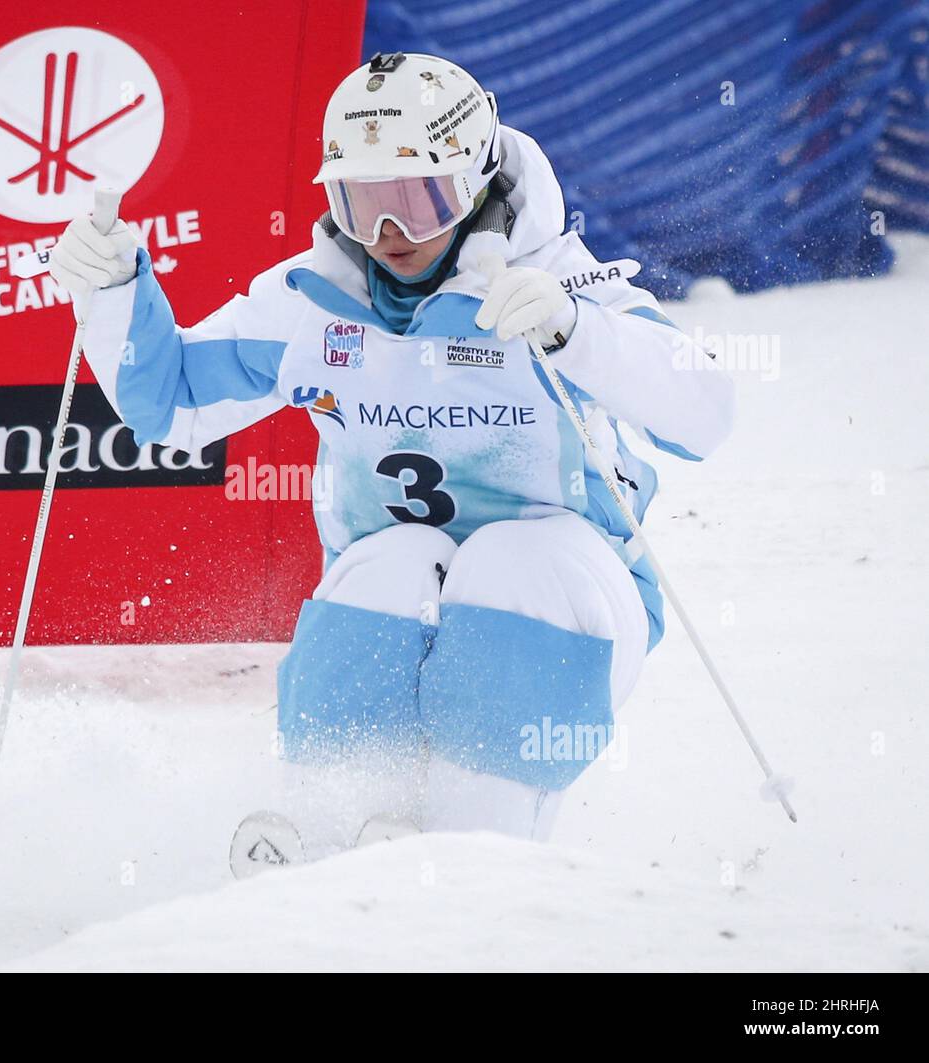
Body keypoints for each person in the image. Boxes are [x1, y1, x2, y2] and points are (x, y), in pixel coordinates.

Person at [47, 52, 734, 856]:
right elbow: (170, 403)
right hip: (405, 591)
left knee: (515, 560)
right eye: (361, 202)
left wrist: (577, 333)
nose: (388, 235)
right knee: (387, 563)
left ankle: (473, 855)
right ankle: (328, 834)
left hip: (572, 598)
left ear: (475, 180)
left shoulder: (552, 284)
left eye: (418, 199)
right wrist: (114, 291)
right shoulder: (314, 299)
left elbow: (705, 415)